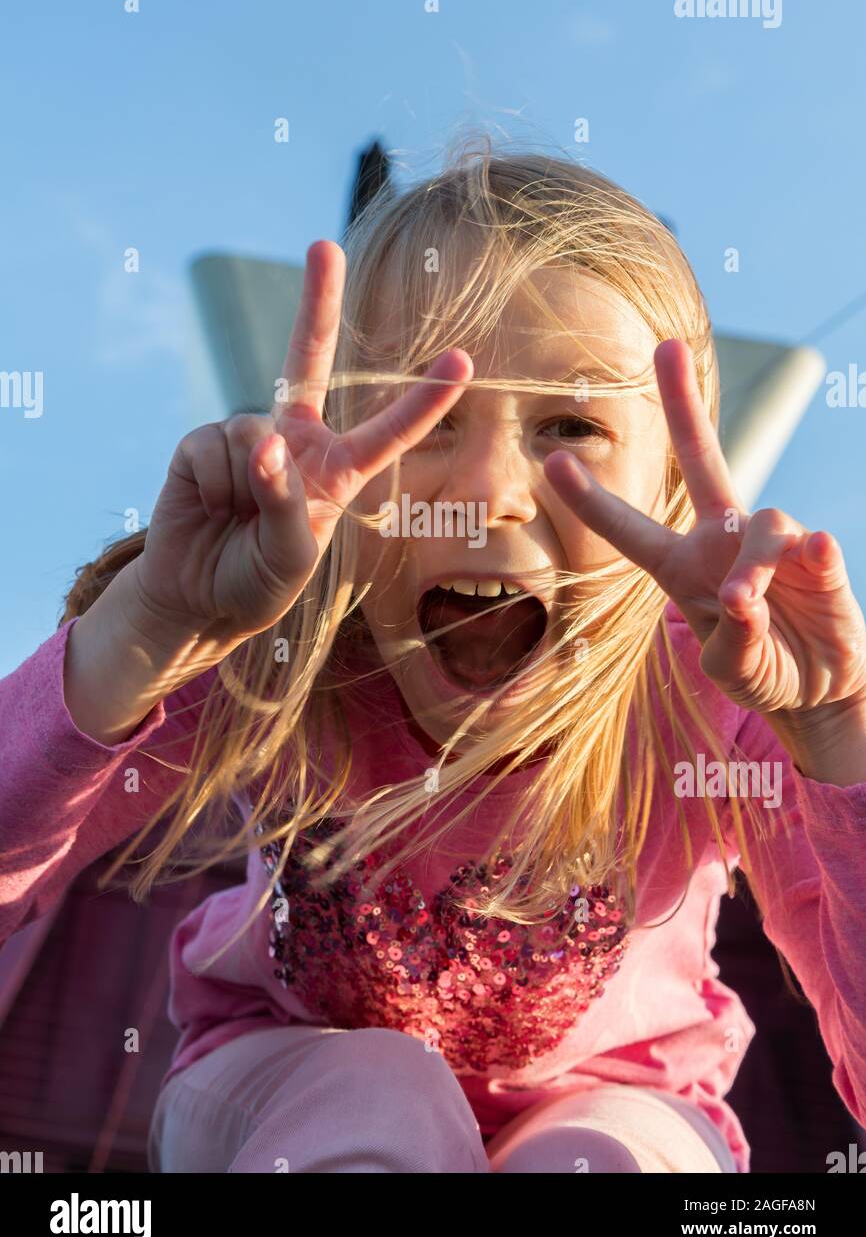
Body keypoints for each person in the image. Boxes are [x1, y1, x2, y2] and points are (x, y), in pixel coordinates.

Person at [2, 145, 866, 1173]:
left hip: (628, 1095)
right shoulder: (292, 649)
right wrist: (146, 629)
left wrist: (837, 746)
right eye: (422, 416)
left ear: (668, 498)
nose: (487, 491)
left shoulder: (702, 708)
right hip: (282, 1069)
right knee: (378, 1094)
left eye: (572, 425)